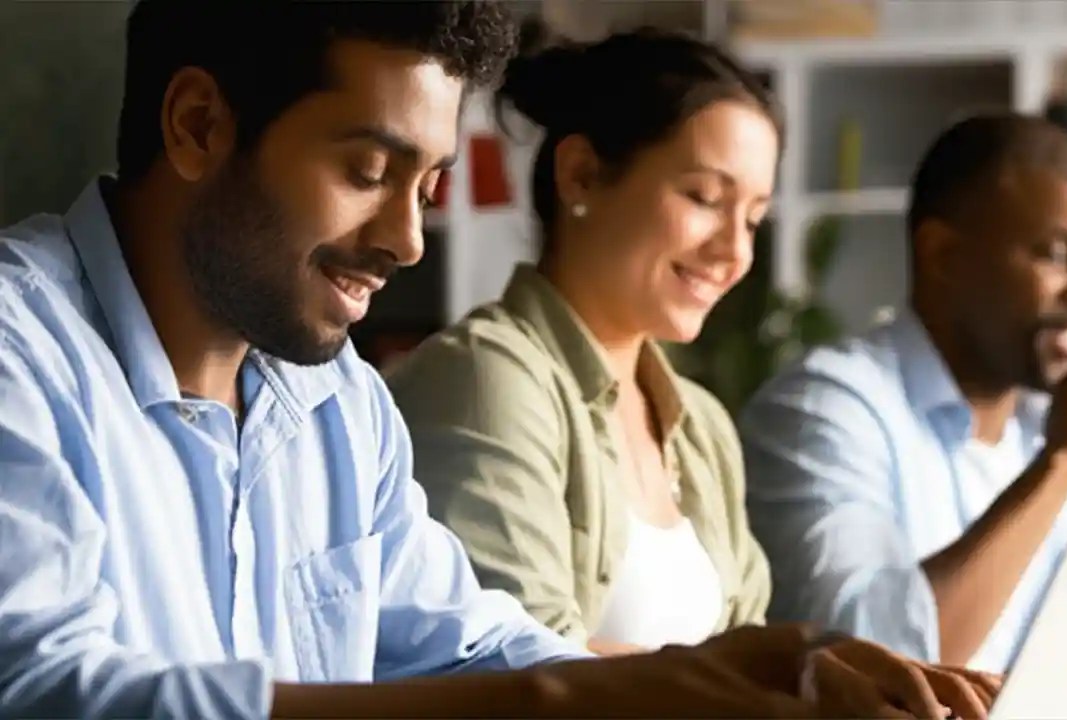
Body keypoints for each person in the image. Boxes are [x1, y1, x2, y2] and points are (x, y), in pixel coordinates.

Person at [0, 2, 987, 718]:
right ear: (198, 126)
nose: (407, 239)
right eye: (368, 172)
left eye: (425, 186)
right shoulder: (20, 353)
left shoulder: (338, 403)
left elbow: (463, 644)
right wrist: (570, 698)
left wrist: (751, 671)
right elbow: (45, 691)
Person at [383, 26, 996, 715]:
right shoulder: (488, 381)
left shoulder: (700, 427)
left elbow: (752, 657)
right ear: (581, 174)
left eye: (754, 218)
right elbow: (512, 674)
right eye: (705, 198)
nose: (733, 252)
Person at [737, 113, 1067, 716]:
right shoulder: (824, 411)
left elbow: (1047, 679)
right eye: (1056, 255)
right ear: (944, 255)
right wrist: (1064, 465)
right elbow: (873, 671)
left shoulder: (1039, 427)